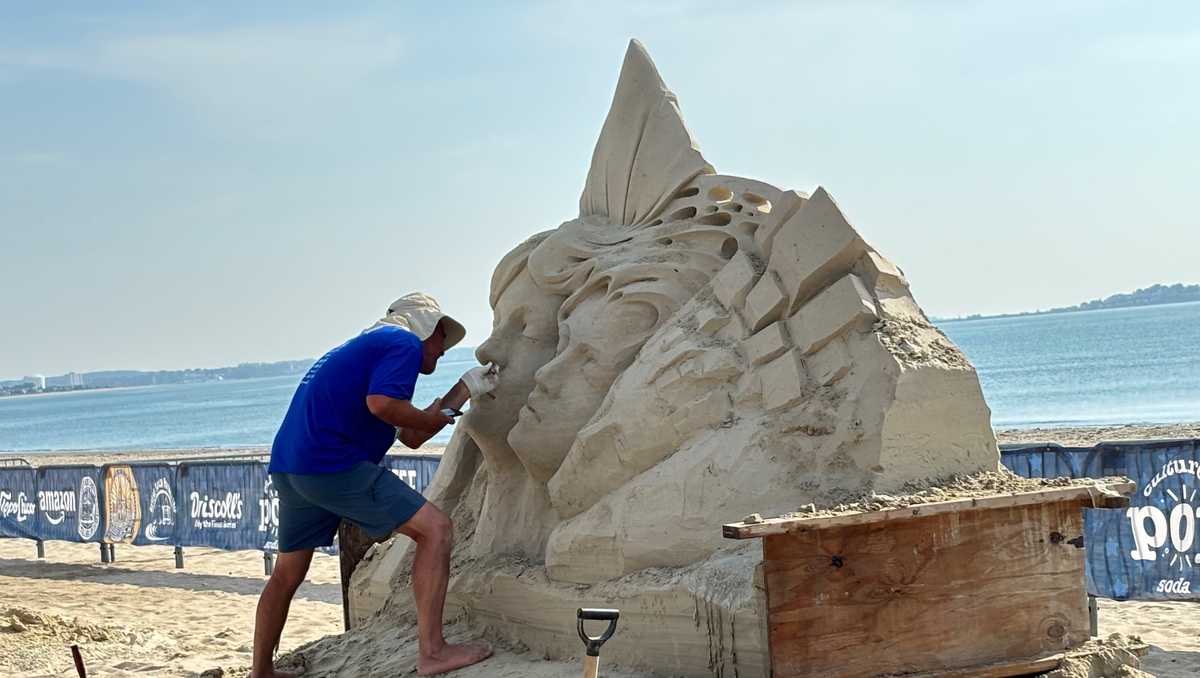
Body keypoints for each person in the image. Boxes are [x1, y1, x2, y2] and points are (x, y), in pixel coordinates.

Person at [251, 293, 498, 677]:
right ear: (424, 328)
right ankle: (432, 652)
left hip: (291, 467)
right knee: (436, 529)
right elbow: (382, 406)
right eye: (441, 338)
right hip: (333, 464)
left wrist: (463, 389)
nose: (444, 350)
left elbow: (411, 435)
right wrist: (455, 395)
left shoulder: (362, 348)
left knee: (286, 574)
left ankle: (261, 672)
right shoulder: (400, 344)